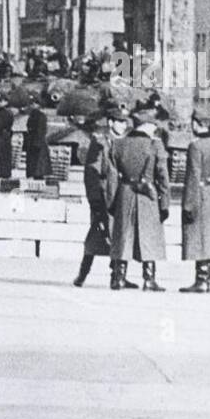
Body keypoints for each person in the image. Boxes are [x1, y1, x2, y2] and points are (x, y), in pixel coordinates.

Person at [108, 104, 171, 291]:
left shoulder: (118, 144)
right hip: (148, 195)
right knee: (149, 236)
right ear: (147, 126)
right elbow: (163, 177)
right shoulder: (155, 145)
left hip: (125, 193)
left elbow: (112, 177)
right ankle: (149, 279)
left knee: (123, 236)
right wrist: (165, 203)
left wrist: (112, 203)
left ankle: (119, 278)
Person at [74, 109, 135, 288]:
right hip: (104, 196)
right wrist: (95, 202)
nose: (122, 125)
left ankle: (118, 275)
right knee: (97, 235)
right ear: (110, 122)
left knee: (121, 235)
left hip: (121, 196)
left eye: (125, 122)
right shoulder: (100, 142)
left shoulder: (126, 143)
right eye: (119, 121)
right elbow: (92, 174)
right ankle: (83, 274)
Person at [179, 103, 210, 294]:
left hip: (199, 193)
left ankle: (200, 278)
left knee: (199, 236)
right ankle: (208, 278)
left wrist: (188, 204)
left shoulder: (195, 146)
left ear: (196, 123)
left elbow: (193, 176)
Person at [22, 96, 51, 180]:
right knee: (34, 162)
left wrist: (37, 142)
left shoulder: (41, 116)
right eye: (31, 103)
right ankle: (35, 175)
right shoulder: (33, 115)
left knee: (38, 162)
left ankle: (39, 175)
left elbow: (41, 130)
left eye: (34, 103)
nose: (32, 105)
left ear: (38, 105)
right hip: (32, 140)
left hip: (37, 141)